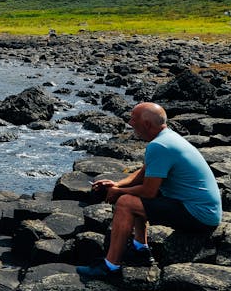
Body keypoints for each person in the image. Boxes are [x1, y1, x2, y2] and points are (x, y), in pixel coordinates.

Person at [77, 101, 222, 279]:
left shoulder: (159, 146)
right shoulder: (166, 138)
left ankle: (110, 267)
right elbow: (144, 172)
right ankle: (141, 250)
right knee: (130, 196)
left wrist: (119, 193)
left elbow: (148, 192)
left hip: (199, 214)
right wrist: (118, 185)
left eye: (133, 119)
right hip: (198, 207)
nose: (130, 123)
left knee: (126, 203)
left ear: (146, 124)